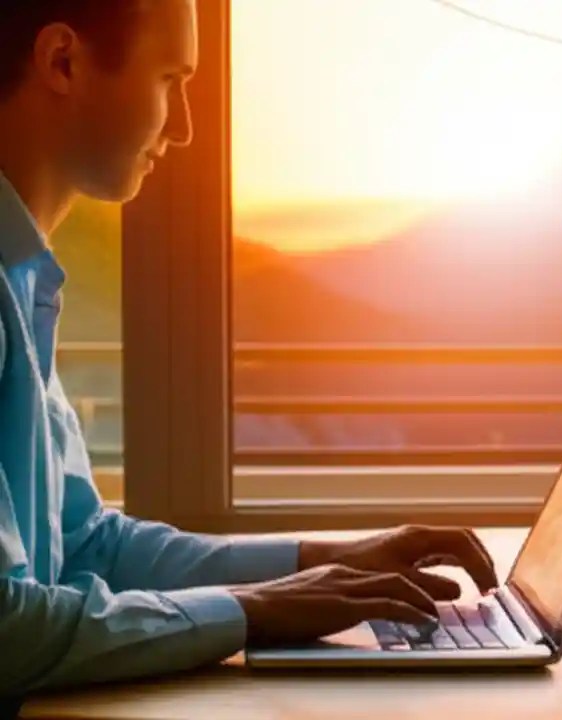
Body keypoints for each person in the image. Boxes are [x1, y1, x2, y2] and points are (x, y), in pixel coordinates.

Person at [0, 0, 499, 697]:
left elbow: (86, 547)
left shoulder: (22, 280)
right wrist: (256, 610)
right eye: (170, 79)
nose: (184, 127)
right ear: (63, 61)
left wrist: (327, 560)